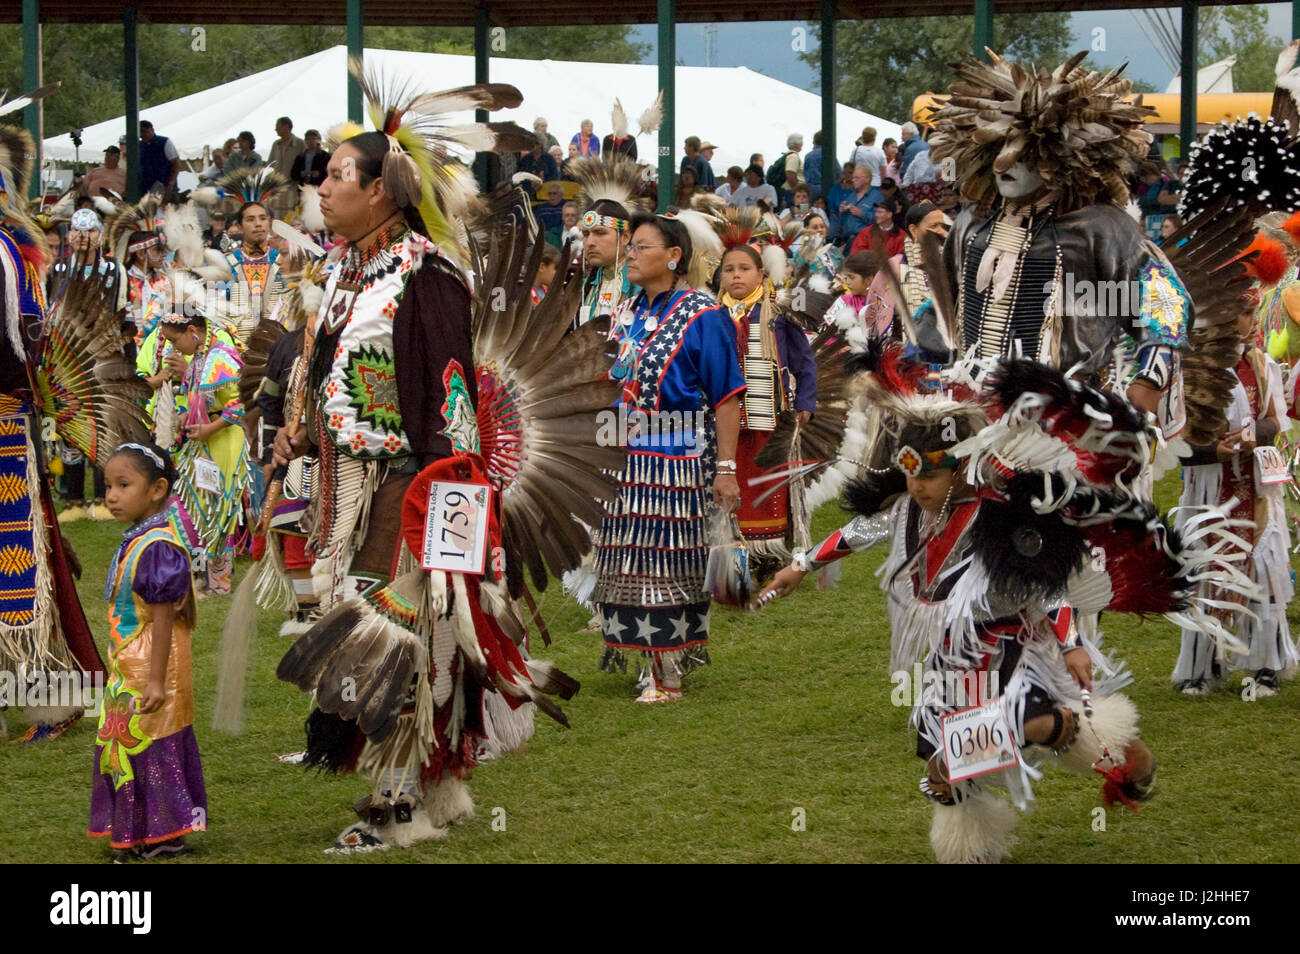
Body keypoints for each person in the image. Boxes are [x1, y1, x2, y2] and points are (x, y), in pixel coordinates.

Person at [593, 212, 745, 702]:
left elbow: (726, 396)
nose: (630, 255)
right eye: (630, 247)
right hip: (622, 455)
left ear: (673, 256)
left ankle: (668, 671)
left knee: (667, 561)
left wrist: (726, 469)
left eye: (641, 246)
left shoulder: (703, 313)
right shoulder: (629, 310)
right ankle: (647, 661)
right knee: (626, 561)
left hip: (675, 458)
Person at [1173, 285, 1298, 695]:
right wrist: (1214, 448)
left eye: (1253, 312)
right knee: (1207, 568)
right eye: (1245, 313)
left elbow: (1275, 421)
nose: (1253, 321)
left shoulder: (1261, 366)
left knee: (1262, 569)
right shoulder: (1189, 370)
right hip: (1208, 493)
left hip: (1255, 491)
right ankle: (1202, 666)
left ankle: (1266, 666)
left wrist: (1248, 438)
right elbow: (1174, 440)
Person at [89, 442, 206, 861]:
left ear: (157, 489)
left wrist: (157, 680)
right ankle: (139, 829)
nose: (112, 496)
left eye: (124, 485)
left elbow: (162, 622)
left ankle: (162, 833)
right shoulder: (140, 540)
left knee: (152, 745)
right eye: (108, 486)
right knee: (124, 744)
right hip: (129, 663)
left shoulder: (157, 547)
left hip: (154, 668)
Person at [717, 240, 816, 574]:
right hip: (724, 417)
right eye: (729, 270)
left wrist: (805, 401)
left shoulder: (777, 312)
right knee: (731, 479)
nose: (736, 276)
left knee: (768, 484)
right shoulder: (712, 314)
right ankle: (732, 555)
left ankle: (770, 556)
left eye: (744, 269)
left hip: (770, 415)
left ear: (761, 273)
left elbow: (804, 360)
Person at [159, 307, 249, 596]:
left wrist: (211, 427)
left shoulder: (220, 355)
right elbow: (191, 392)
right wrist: (186, 414)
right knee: (190, 505)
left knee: (219, 511)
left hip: (225, 438)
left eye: (175, 341)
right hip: (203, 439)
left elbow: (241, 402)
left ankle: (217, 582)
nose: (175, 348)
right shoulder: (198, 357)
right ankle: (197, 576)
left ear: (192, 332)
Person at [578, 199, 635, 325]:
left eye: (600, 233)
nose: (590, 242)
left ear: (625, 237)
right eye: (586, 234)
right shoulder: (586, 286)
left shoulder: (642, 284)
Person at [836, 166, 875, 249]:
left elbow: (880, 220)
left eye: (856, 178)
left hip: (865, 243)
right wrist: (841, 211)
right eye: (853, 177)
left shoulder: (876, 196)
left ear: (867, 179)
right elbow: (842, 220)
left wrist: (861, 214)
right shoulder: (851, 195)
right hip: (848, 241)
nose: (853, 180)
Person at [138, 121, 180, 196]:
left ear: (152, 130)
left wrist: (170, 184)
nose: (142, 135)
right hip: (146, 191)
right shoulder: (139, 146)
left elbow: (176, 164)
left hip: (165, 188)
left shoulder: (164, 142)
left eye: (144, 132)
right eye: (140, 133)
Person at [804, 130, 839, 202]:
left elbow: (806, 174)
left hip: (811, 191)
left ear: (814, 141)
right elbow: (839, 173)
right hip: (827, 189)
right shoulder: (829, 155)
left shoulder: (808, 156)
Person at [825, 162, 856, 242]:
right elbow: (831, 205)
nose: (846, 175)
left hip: (851, 216)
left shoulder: (857, 189)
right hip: (836, 216)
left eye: (850, 173)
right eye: (844, 172)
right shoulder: (836, 188)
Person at [534, 181, 568, 248]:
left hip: (563, 235)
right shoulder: (541, 209)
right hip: (545, 237)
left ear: (561, 195)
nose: (551, 196)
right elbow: (535, 224)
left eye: (554, 193)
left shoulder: (567, 207)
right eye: (550, 194)